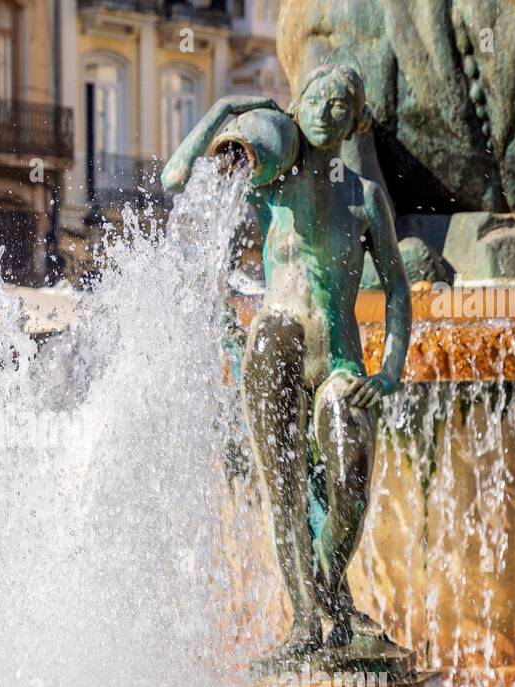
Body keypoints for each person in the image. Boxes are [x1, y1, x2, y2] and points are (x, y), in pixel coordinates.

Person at [162, 64, 411, 654]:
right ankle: (308, 623)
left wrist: (392, 368)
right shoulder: (274, 179)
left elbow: (397, 290)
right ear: (297, 105)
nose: (328, 110)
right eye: (318, 98)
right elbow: (176, 178)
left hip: (342, 362)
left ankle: (324, 594)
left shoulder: (366, 198)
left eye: (341, 103)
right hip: (274, 344)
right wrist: (222, 109)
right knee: (288, 493)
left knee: (349, 481)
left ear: (355, 122)